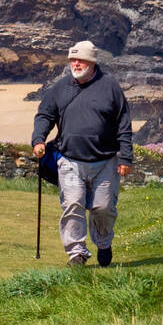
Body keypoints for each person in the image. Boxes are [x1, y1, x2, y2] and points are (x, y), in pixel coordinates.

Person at [31, 40, 133, 267]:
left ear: (92, 62)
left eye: (81, 60)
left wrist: (125, 157)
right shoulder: (60, 87)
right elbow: (45, 115)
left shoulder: (110, 86)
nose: (76, 64)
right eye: (73, 60)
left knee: (103, 208)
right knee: (73, 205)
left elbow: (123, 124)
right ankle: (76, 253)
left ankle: (104, 244)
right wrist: (38, 139)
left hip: (105, 161)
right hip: (69, 160)